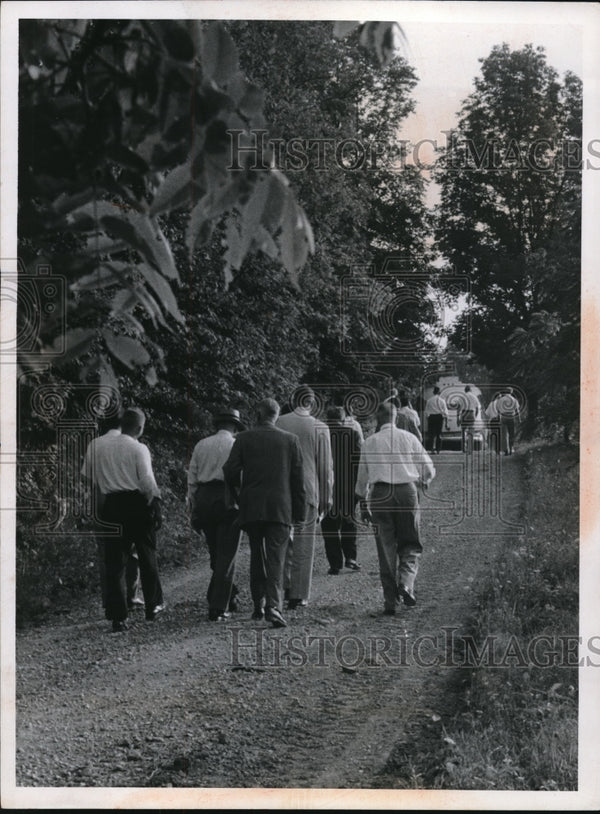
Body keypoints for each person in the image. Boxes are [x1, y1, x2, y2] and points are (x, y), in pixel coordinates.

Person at [223, 398, 306, 628]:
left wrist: (239, 494)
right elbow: (298, 480)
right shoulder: (290, 440)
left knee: (256, 556)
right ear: (276, 415)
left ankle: (258, 604)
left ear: (258, 414)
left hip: (252, 506)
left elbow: (229, 470)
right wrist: (299, 512)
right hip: (280, 507)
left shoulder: (243, 438)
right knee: (277, 558)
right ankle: (273, 606)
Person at [81, 407, 164, 632]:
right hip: (137, 505)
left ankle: (118, 616)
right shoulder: (138, 448)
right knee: (147, 555)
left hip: (111, 506)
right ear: (139, 428)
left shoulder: (98, 447)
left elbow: (87, 477)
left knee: (115, 562)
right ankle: (153, 605)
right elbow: (146, 480)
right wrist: (156, 504)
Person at [355, 401, 435, 615]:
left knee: (385, 547)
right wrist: (424, 480)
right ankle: (407, 583)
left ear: (377, 419)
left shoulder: (370, 442)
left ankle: (390, 601)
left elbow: (362, 476)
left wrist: (363, 502)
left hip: (380, 494)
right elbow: (427, 467)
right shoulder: (409, 438)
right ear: (395, 418)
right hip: (406, 492)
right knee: (410, 542)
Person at [276, 385, 333, 609]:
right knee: (304, 541)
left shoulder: (279, 422)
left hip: (281, 489)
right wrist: (326, 497)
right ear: (311, 403)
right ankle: (299, 594)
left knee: (282, 540)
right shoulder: (319, 427)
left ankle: (283, 586)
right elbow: (324, 466)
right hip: (308, 489)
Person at [188, 408, 244, 621]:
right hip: (226, 497)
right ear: (235, 426)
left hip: (204, 497)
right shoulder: (235, 444)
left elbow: (191, 478)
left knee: (215, 553)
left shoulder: (201, 444)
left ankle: (228, 595)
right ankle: (217, 606)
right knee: (227, 554)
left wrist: (193, 506)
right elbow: (241, 476)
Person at [85, 413, 144, 613]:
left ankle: (110, 600)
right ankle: (131, 596)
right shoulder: (132, 444)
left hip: (101, 501)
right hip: (128, 501)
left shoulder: (95, 444)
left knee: (107, 553)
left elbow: (88, 478)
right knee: (133, 550)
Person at [321, 406, 362, 575]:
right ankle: (351, 557)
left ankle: (335, 563)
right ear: (343, 419)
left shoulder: (321, 434)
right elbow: (359, 461)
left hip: (327, 485)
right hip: (348, 485)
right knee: (348, 522)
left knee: (329, 525)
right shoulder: (352, 434)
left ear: (327, 419)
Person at [424, 386, 449, 454]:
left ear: (433, 392)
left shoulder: (429, 400)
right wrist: (446, 420)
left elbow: (426, 411)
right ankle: (438, 449)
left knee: (431, 434)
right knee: (438, 434)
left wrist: (428, 418)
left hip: (431, 417)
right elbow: (445, 412)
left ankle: (432, 449)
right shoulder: (442, 400)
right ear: (439, 392)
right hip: (439, 417)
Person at [498, 387, 520, 455]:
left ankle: (506, 450)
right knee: (511, 433)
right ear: (511, 392)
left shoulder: (501, 399)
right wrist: (519, 419)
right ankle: (511, 448)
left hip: (504, 417)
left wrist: (499, 419)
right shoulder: (514, 400)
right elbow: (517, 411)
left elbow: (498, 410)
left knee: (504, 434)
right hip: (511, 417)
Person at [458, 385, 481, 451]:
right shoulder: (474, 397)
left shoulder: (462, 396)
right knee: (471, 431)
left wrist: (458, 418)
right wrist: (475, 415)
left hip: (464, 413)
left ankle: (463, 448)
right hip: (471, 413)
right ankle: (470, 448)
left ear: (465, 390)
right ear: (470, 390)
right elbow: (477, 408)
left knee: (463, 431)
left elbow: (459, 408)